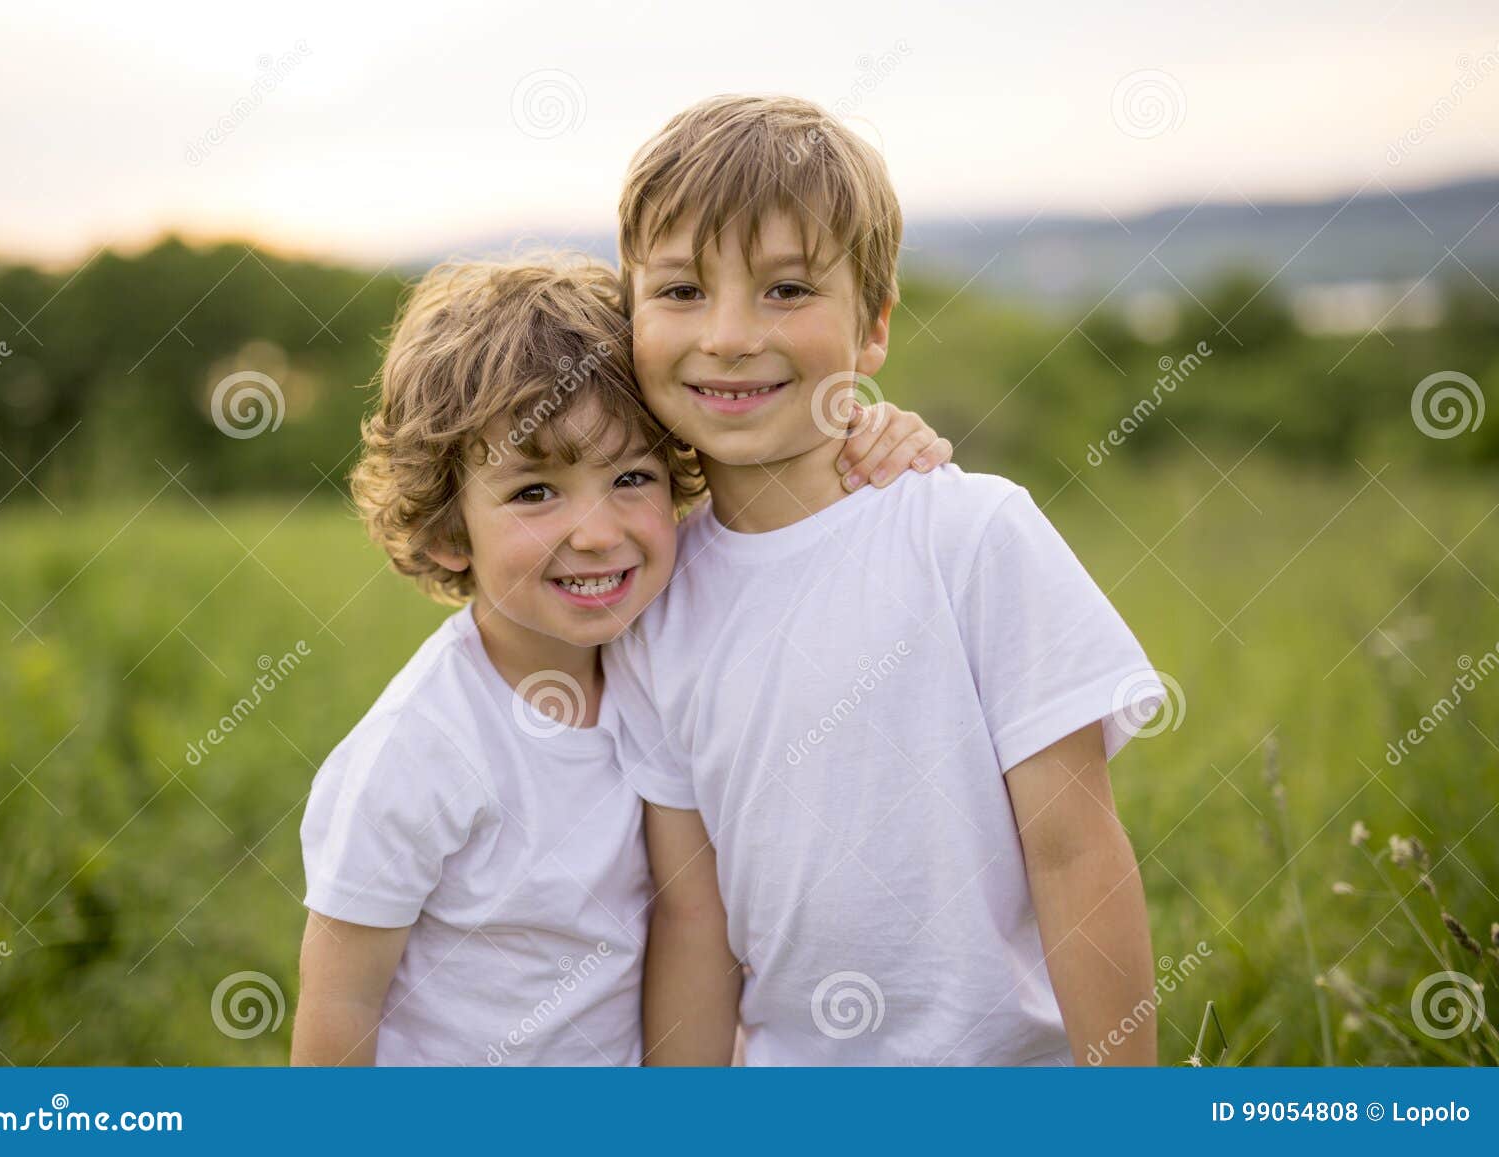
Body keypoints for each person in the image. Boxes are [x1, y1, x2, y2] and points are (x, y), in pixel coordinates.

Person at [607, 95, 1168, 1066]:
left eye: (787, 290)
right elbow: (693, 919)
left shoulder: (970, 534)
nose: (731, 334)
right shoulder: (650, 603)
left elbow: (1075, 849)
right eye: (681, 290)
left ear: (872, 326)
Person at [290, 253, 952, 1065]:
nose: (598, 532)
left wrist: (879, 432)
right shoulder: (419, 749)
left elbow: (789, 509)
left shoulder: (670, 639)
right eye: (534, 491)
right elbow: (338, 1013)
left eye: (631, 476)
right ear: (448, 531)